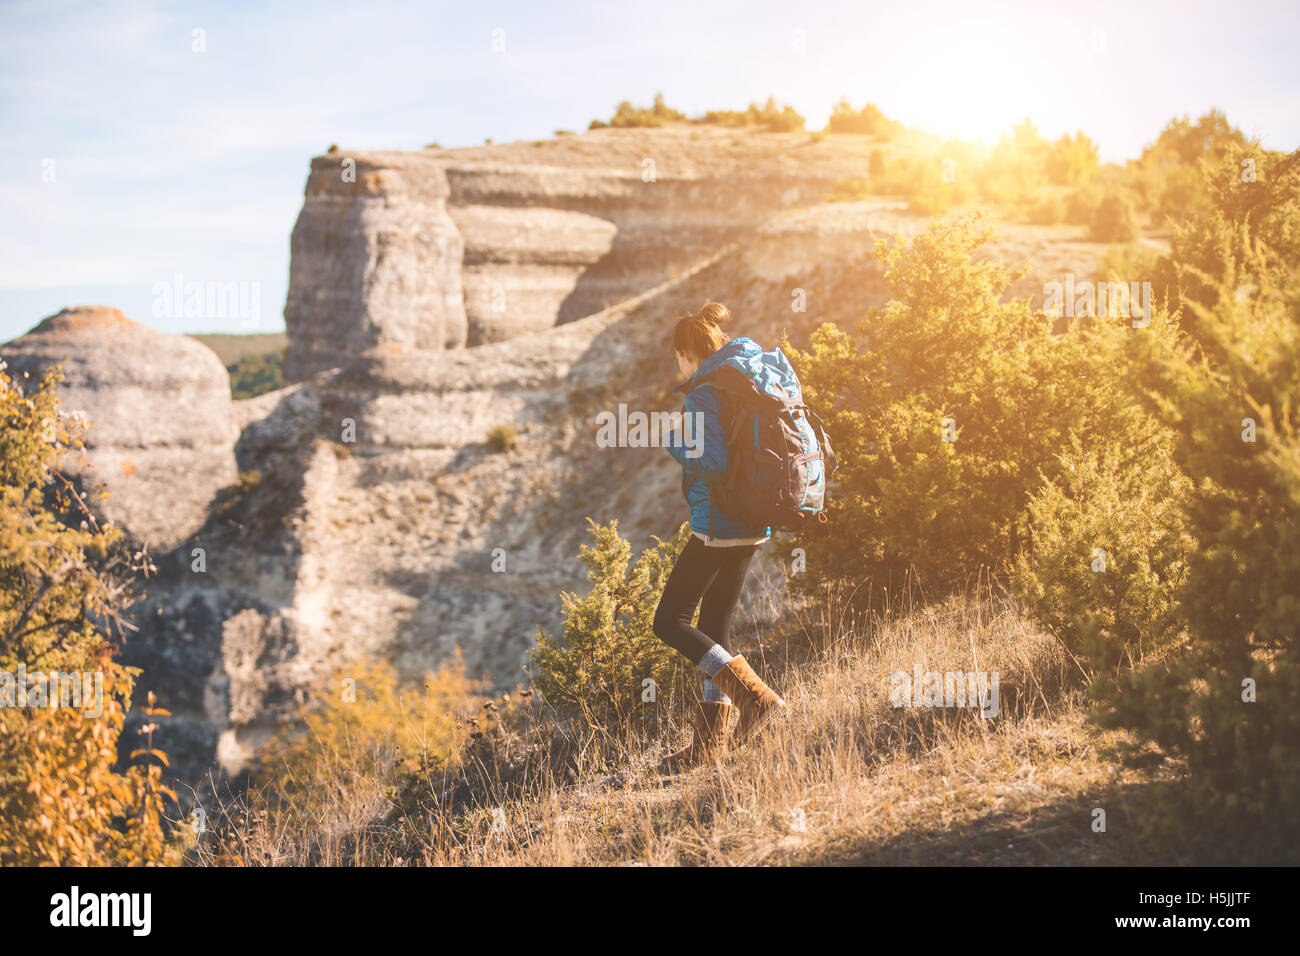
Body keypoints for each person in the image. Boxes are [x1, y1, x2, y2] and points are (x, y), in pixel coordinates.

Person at [654, 302, 788, 771]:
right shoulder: (745, 375)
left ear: (686, 353)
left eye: (677, 358)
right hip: (753, 522)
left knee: (669, 622)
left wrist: (674, 439)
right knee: (714, 629)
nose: (678, 366)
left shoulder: (703, 393)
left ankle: (758, 698)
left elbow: (711, 463)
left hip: (719, 524)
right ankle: (709, 746)